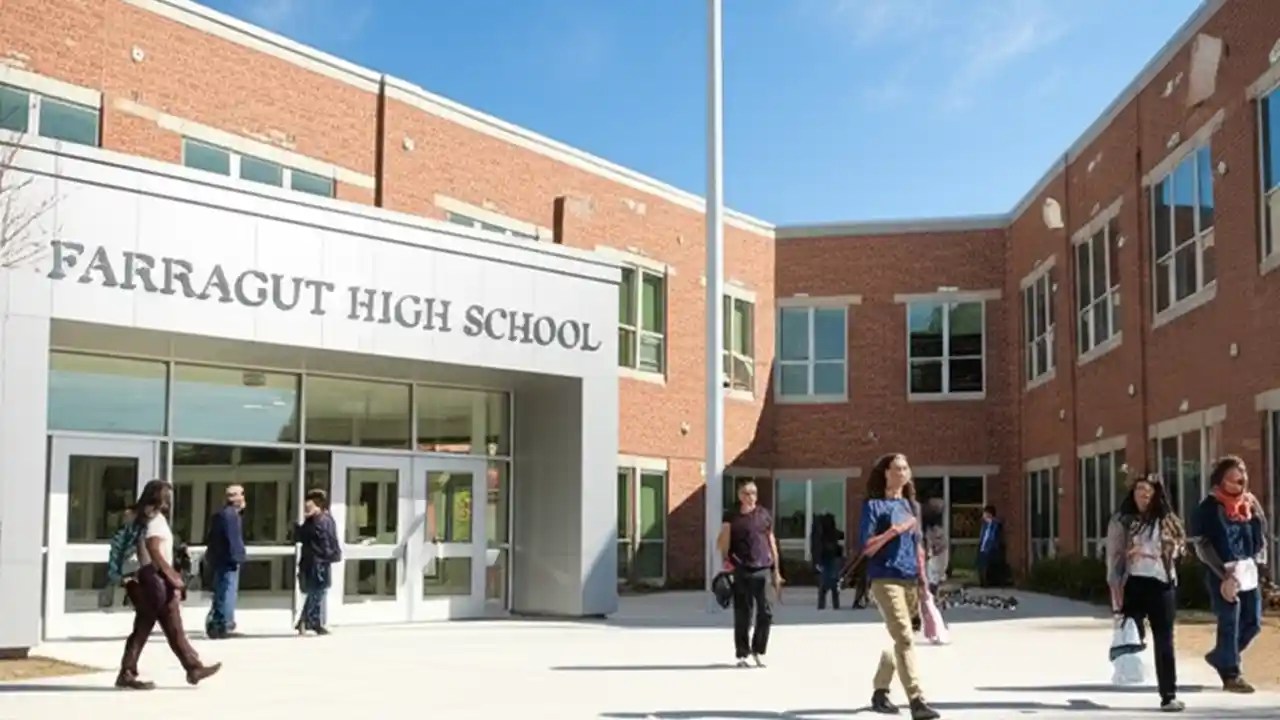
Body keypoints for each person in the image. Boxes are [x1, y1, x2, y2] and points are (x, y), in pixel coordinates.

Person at [118, 479, 221, 689]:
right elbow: (154, 548)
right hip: (156, 581)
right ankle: (128, 673)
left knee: (168, 627)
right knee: (150, 628)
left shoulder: (141, 517)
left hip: (147, 580)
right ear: (159, 498)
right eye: (167, 496)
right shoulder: (155, 520)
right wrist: (171, 574)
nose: (170, 501)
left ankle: (192, 667)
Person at [859, 453, 940, 720]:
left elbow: (918, 547)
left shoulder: (911, 506)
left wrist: (924, 584)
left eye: (906, 468)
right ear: (886, 473)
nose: (902, 473)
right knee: (904, 637)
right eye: (897, 468)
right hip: (885, 578)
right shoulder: (873, 506)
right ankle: (917, 701)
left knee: (903, 638)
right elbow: (867, 548)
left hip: (910, 579)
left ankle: (880, 692)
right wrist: (895, 530)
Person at [1188, 455, 1270, 694]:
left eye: (1242, 479)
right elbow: (1202, 545)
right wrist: (1224, 575)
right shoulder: (1208, 508)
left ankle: (1221, 656)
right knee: (1229, 620)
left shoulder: (1250, 504)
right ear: (1220, 481)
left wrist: (1261, 567)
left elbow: (1261, 536)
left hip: (1247, 569)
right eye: (1233, 480)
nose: (1239, 484)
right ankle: (1231, 674)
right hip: (1222, 571)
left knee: (1252, 623)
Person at [1105, 473, 1187, 712]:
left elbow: (1181, 548)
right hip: (1134, 583)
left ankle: (1168, 695)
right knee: (1130, 631)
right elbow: (1114, 556)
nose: (1144, 494)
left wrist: (1167, 549)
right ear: (1133, 494)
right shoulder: (1123, 520)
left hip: (1161, 583)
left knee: (1165, 639)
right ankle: (1127, 670)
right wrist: (1115, 587)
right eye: (1139, 490)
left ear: (1156, 495)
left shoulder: (1168, 521)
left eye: (1149, 490)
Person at [716, 478, 781, 668]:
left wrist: (776, 571)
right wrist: (725, 562)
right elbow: (723, 543)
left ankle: (758, 649)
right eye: (746, 493)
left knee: (766, 612)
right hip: (741, 569)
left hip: (763, 568)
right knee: (743, 613)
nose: (750, 497)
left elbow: (771, 542)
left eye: (753, 493)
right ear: (739, 495)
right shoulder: (731, 516)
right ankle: (743, 653)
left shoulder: (764, 515)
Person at [295, 489, 342, 635]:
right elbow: (308, 539)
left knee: (317, 591)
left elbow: (327, 539)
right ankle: (310, 621)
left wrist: (331, 554)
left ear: (318, 506)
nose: (307, 510)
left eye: (310, 507)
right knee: (316, 591)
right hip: (316, 561)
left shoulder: (322, 520)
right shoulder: (314, 521)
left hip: (319, 560)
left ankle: (307, 621)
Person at [204, 484, 247, 639]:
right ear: (235, 497)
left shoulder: (222, 515)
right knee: (227, 592)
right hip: (228, 561)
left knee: (221, 592)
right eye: (241, 494)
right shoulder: (231, 516)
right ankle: (224, 624)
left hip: (220, 560)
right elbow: (232, 540)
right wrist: (238, 557)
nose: (243, 497)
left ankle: (218, 623)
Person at [810, 512, 845, 609]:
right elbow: (841, 535)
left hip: (824, 559)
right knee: (834, 584)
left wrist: (816, 561)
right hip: (832, 558)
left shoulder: (819, 534)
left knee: (823, 585)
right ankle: (835, 605)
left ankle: (821, 605)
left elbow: (816, 548)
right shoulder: (832, 533)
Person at [922, 499, 948, 597]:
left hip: (934, 554)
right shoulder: (934, 529)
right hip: (934, 555)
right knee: (933, 576)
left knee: (933, 576)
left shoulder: (931, 529)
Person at [977, 504, 1006, 588]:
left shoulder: (995, 524)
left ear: (989, 514)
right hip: (983, 548)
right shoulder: (984, 525)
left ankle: (987, 581)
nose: (983, 515)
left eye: (985, 513)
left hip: (991, 549)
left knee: (987, 565)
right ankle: (982, 582)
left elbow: (994, 537)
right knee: (981, 565)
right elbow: (982, 536)